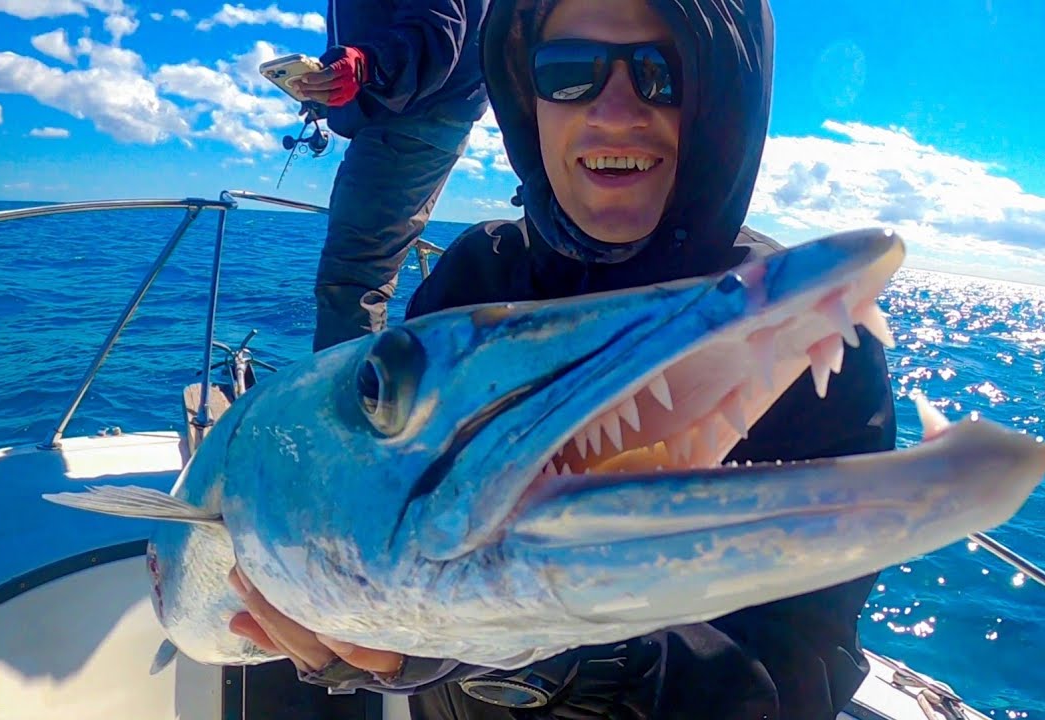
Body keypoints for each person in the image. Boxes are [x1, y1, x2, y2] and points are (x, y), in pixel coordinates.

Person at [228, 0, 899, 717]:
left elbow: (802, 669)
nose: (615, 112)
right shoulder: (473, 280)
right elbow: (395, 527)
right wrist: (354, 645)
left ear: (725, 98)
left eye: (663, 73)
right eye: (568, 72)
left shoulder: (812, 346)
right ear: (526, 95)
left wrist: (578, 660)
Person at [296, 0, 492, 353]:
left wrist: (366, 66)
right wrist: (335, 87)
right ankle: (368, 394)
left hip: (413, 120)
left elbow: (437, 31)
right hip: (410, 117)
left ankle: (353, 404)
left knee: (351, 283)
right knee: (354, 278)